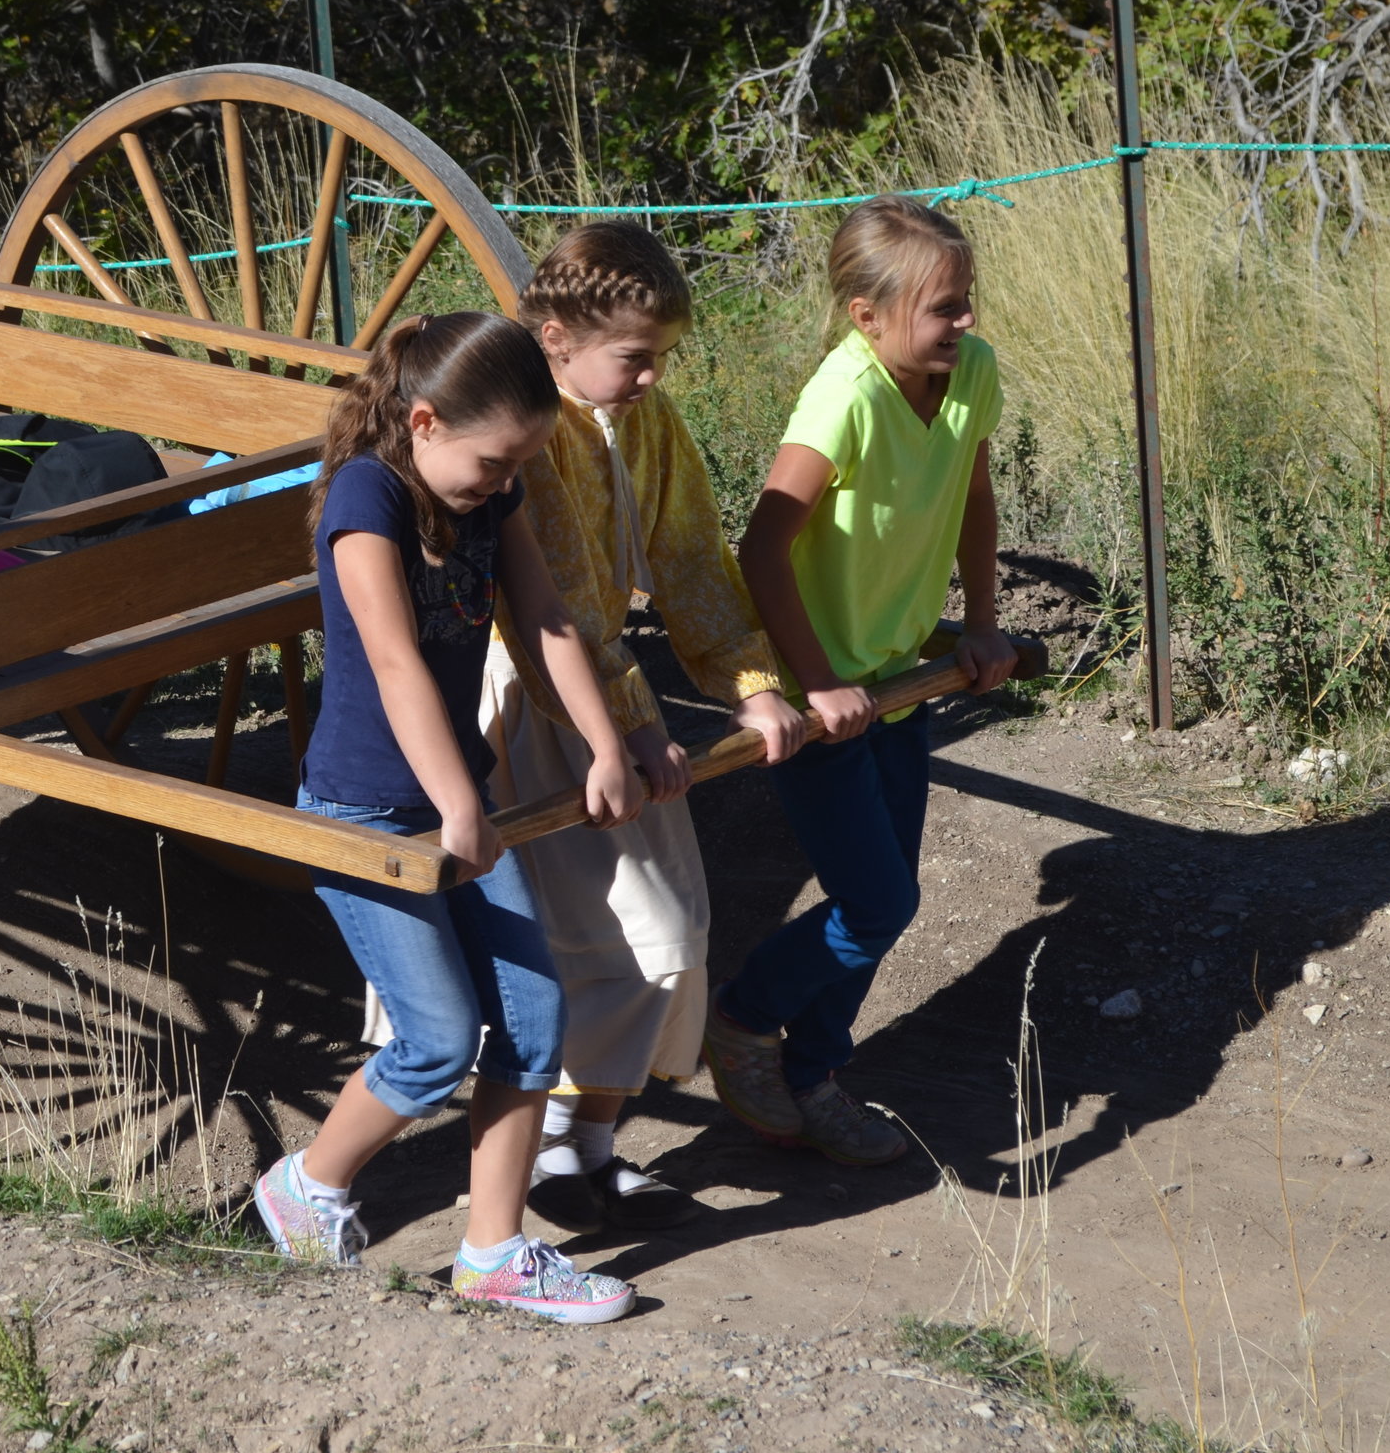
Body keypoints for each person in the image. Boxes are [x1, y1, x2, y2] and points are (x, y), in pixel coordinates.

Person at [253, 311, 640, 1325]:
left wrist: (605, 742)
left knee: (531, 1020)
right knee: (433, 1039)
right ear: (422, 422)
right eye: (490, 461)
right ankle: (306, 1190)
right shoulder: (364, 498)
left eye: (518, 462)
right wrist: (461, 805)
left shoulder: (490, 491)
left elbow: (546, 619)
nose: (501, 479)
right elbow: (392, 663)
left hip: (459, 800)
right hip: (362, 812)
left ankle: (494, 1252)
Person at [468, 224, 810, 1234]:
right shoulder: (532, 432)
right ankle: (536, 1159)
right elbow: (554, 609)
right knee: (589, 938)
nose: (653, 376)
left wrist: (749, 684)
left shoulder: (644, 421)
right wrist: (624, 731)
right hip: (531, 698)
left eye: (661, 355)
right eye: (633, 356)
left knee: (672, 936)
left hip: (608, 692)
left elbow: (693, 556)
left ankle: (589, 1149)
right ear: (555, 335)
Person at [705, 195, 1018, 1165]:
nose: (963, 322)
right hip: (825, 696)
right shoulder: (841, 399)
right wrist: (815, 681)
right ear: (865, 316)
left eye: (965, 301)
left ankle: (811, 1077)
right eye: (942, 308)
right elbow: (761, 550)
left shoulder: (968, 374)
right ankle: (747, 1021)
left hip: (898, 682)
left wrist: (978, 624)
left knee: (878, 896)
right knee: (879, 903)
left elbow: (971, 497)